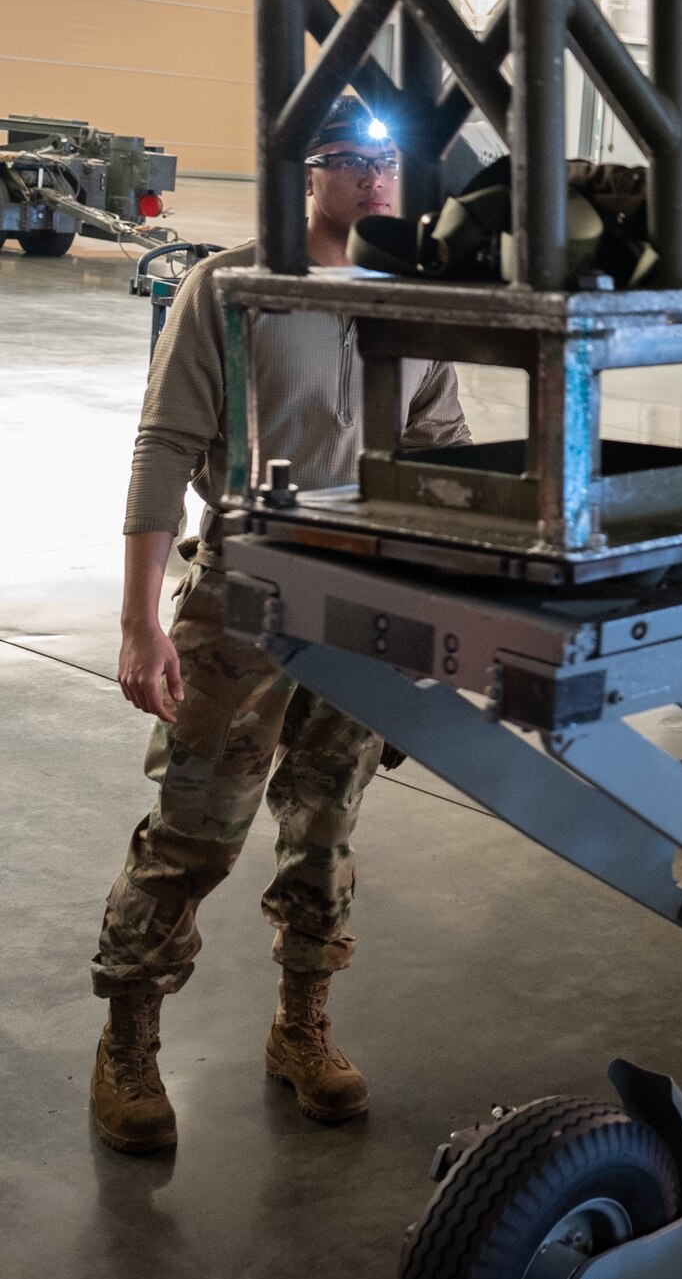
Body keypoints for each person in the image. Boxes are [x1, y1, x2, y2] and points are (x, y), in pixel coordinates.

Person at [89, 95, 471, 1154]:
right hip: (244, 599)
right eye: (352, 161)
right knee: (195, 835)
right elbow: (165, 449)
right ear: (310, 172)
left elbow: (443, 457)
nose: (374, 181)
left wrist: (439, 614)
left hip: (362, 606)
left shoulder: (410, 298)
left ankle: (301, 1028)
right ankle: (127, 1042)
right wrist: (138, 621)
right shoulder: (231, 289)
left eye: (388, 163)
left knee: (326, 829)